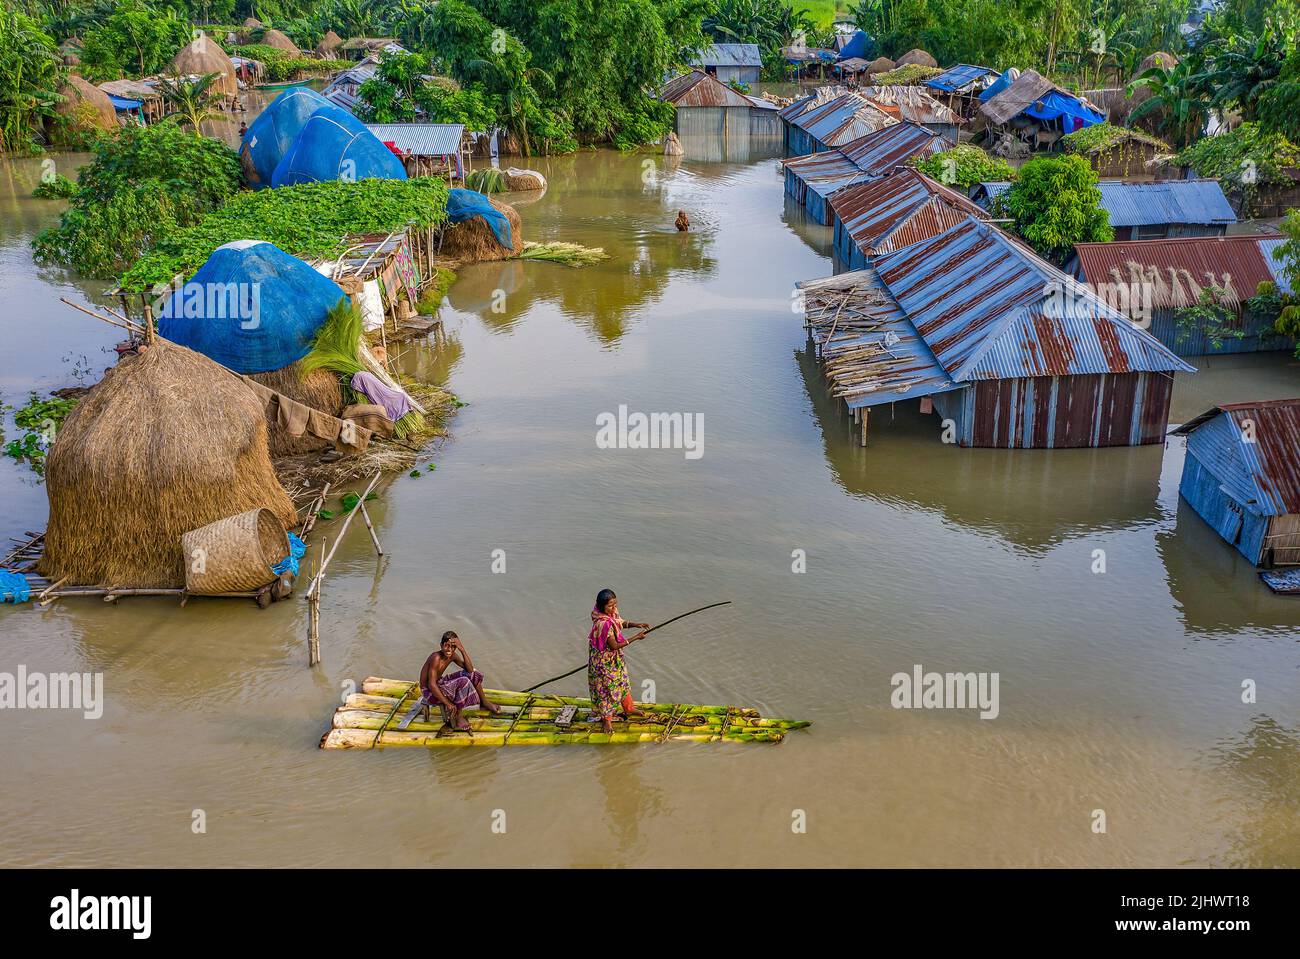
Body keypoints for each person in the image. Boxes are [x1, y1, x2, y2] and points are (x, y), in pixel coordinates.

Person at [587, 589, 651, 734]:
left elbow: (619, 622)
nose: (613, 608)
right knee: (606, 689)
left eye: (615, 604)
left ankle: (628, 708)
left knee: (622, 681)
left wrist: (636, 624)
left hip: (614, 658)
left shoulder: (611, 615)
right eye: (610, 606)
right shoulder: (603, 623)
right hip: (603, 663)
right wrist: (636, 637)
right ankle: (607, 720)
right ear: (601, 606)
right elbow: (614, 645)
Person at [419, 631, 499, 731]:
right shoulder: (435, 657)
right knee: (463, 681)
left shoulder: (453, 655)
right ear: (441, 645)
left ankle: (484, 702)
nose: (449, 649)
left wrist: (462, 650)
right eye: (447, 646)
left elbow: (470, 670)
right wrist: (448, 704)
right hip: (429, 691)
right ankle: (458, 716)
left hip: (440, 682)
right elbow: (431, 684)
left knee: (473, 673)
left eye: (453, 647)